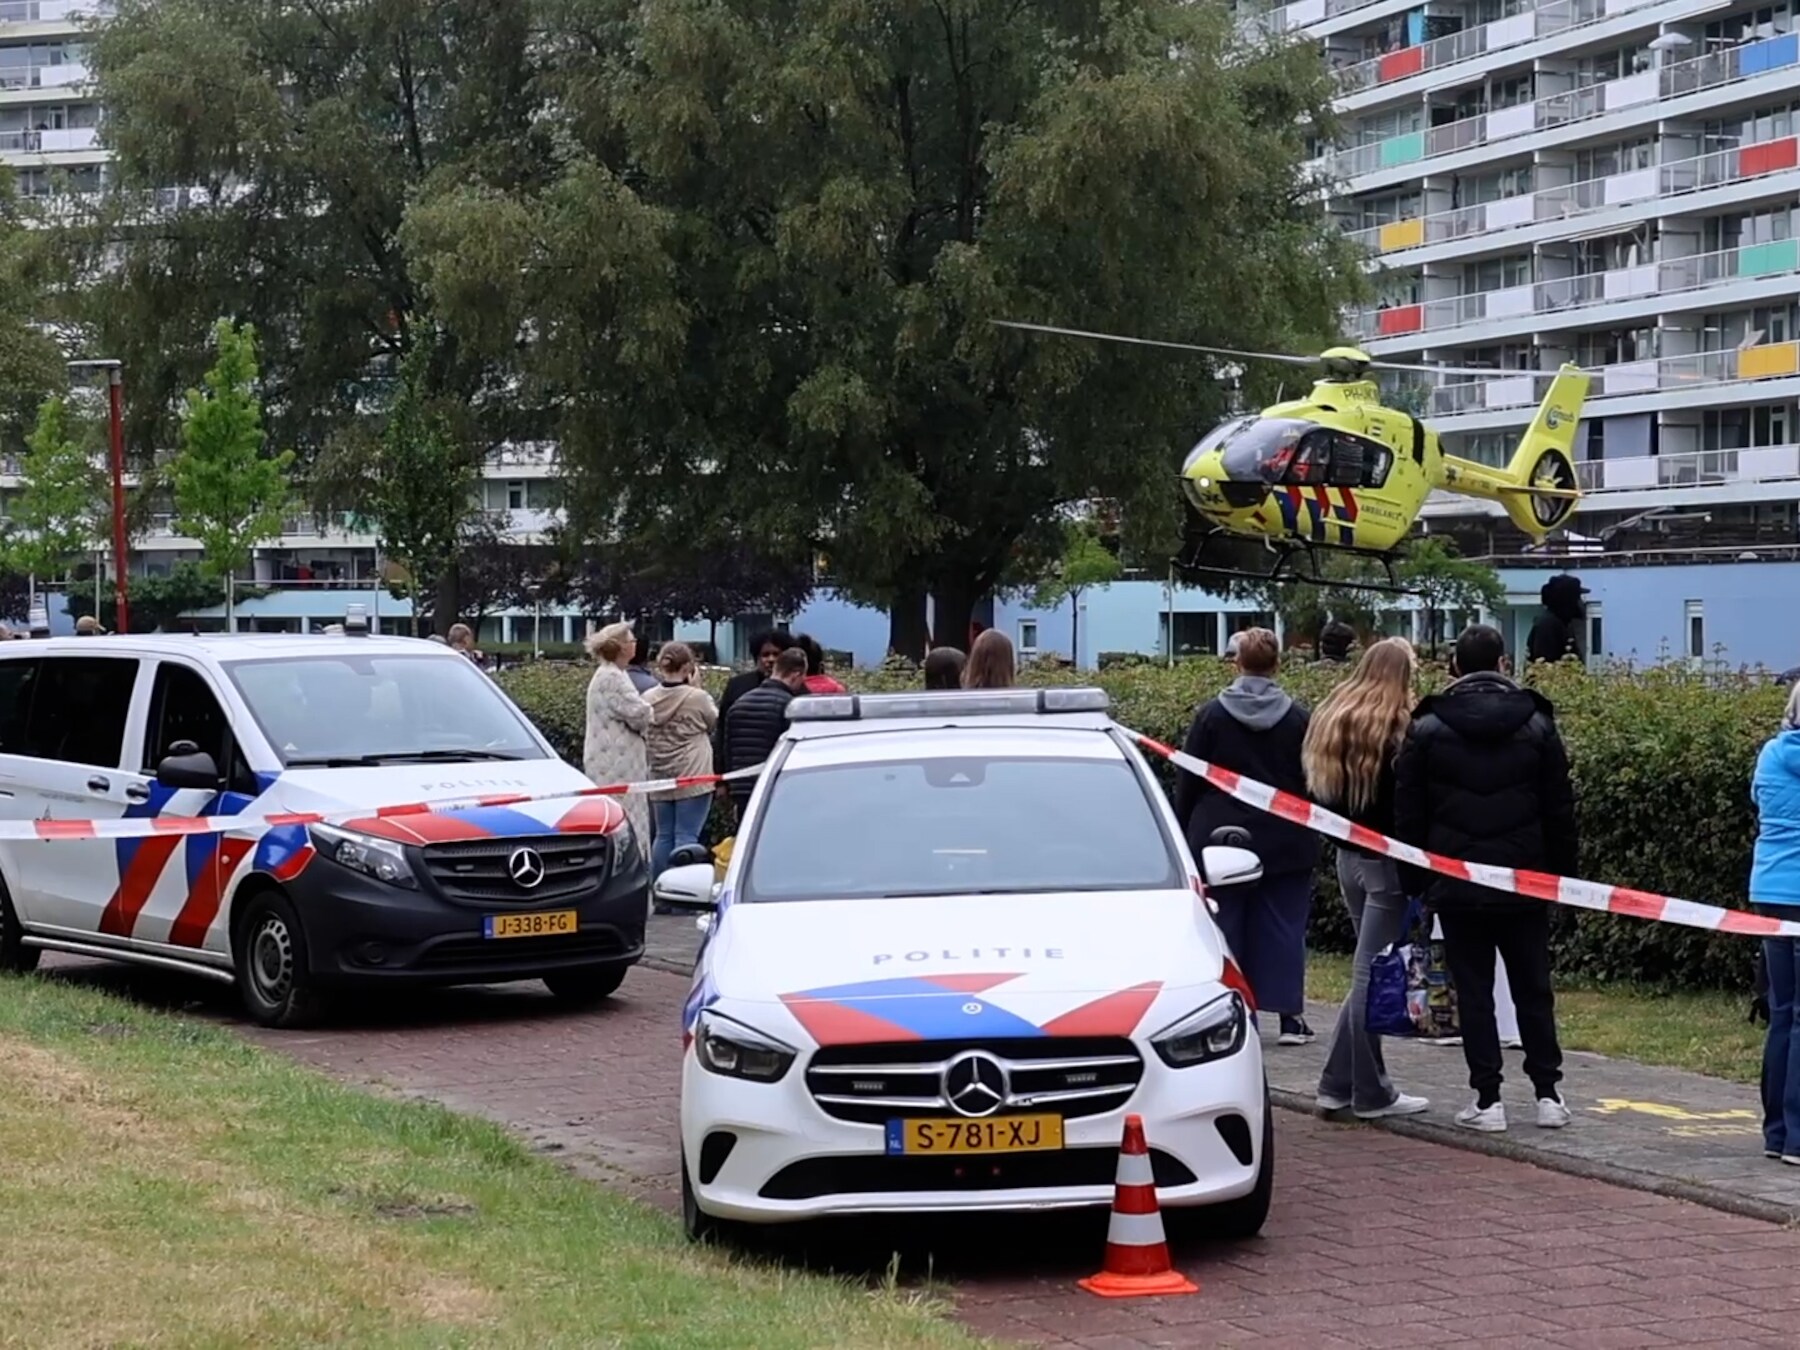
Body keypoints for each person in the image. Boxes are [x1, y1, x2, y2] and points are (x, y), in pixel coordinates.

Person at [1395, 624, 1579, 1133]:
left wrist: (1414, 881)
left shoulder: (1427, 726)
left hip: (1456, 881)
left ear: (1454, 665)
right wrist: (1563, 878)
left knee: (1474, 992)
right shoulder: (1538, 723)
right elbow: (1559, 808)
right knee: (1533, 988)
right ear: (1503, 664)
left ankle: (1488, 1099)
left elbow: (1409, 812)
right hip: (1525, 880)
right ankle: (1548, 1094)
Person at [1173, 627, 1321, 1046]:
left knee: (1226, 927)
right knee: (1284, 927)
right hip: (1285, 837)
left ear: (1236, 663)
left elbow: (1190, 777)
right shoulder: (1299, 718)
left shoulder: (1211, 715)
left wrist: (1182, 828)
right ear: (1277, 664)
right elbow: (1313, 780)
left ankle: (1236, 1015)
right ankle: (1290, 1018)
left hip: (1221, 840)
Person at [1304, 637, 1429, 1118]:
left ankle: (1339, 1084)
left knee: (1367, 971)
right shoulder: (1399, 728)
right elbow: (1407, 804)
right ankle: (1369, 1092)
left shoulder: (1333, 716)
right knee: (1369, 977)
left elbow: (1315, 793)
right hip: (1386, 863)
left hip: (1347, 857)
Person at [1750, 682, 1800, 1165]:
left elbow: (1757, 801)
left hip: (1769, 890)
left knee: (1782, 1011)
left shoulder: (1770, 753)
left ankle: (1776, 1132)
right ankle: (1798, 1138)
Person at [643, 642, 719, 903]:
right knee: (686, 835)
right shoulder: (697, 698)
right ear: (688, 667)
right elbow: (713, 722)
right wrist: (697, 687)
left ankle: (659, 893)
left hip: (660, 773)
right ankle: (682, 896)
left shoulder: (647, 698)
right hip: (693, 772)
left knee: (663, 835)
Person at [584, 622, 655, 865]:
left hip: (619, 762)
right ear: (622, 647)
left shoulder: (614, 673)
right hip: (616, 765)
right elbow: (640, 713)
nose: (635, 644)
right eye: (631, 640)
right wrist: (651, 711)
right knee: (627, 820)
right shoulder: (613, 677)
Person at [723, 647, 809, 818]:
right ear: (796, 675)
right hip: (775, 787)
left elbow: (727, 749)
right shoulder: (789, 708)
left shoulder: (740, 703)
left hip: (741, 787)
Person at [1527, 574, 1587, 664]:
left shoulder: (1562, 624)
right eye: (1577, 598)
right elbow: (1545, 665)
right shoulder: (1548, 626)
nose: (1580, 602)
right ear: (1568, 600)